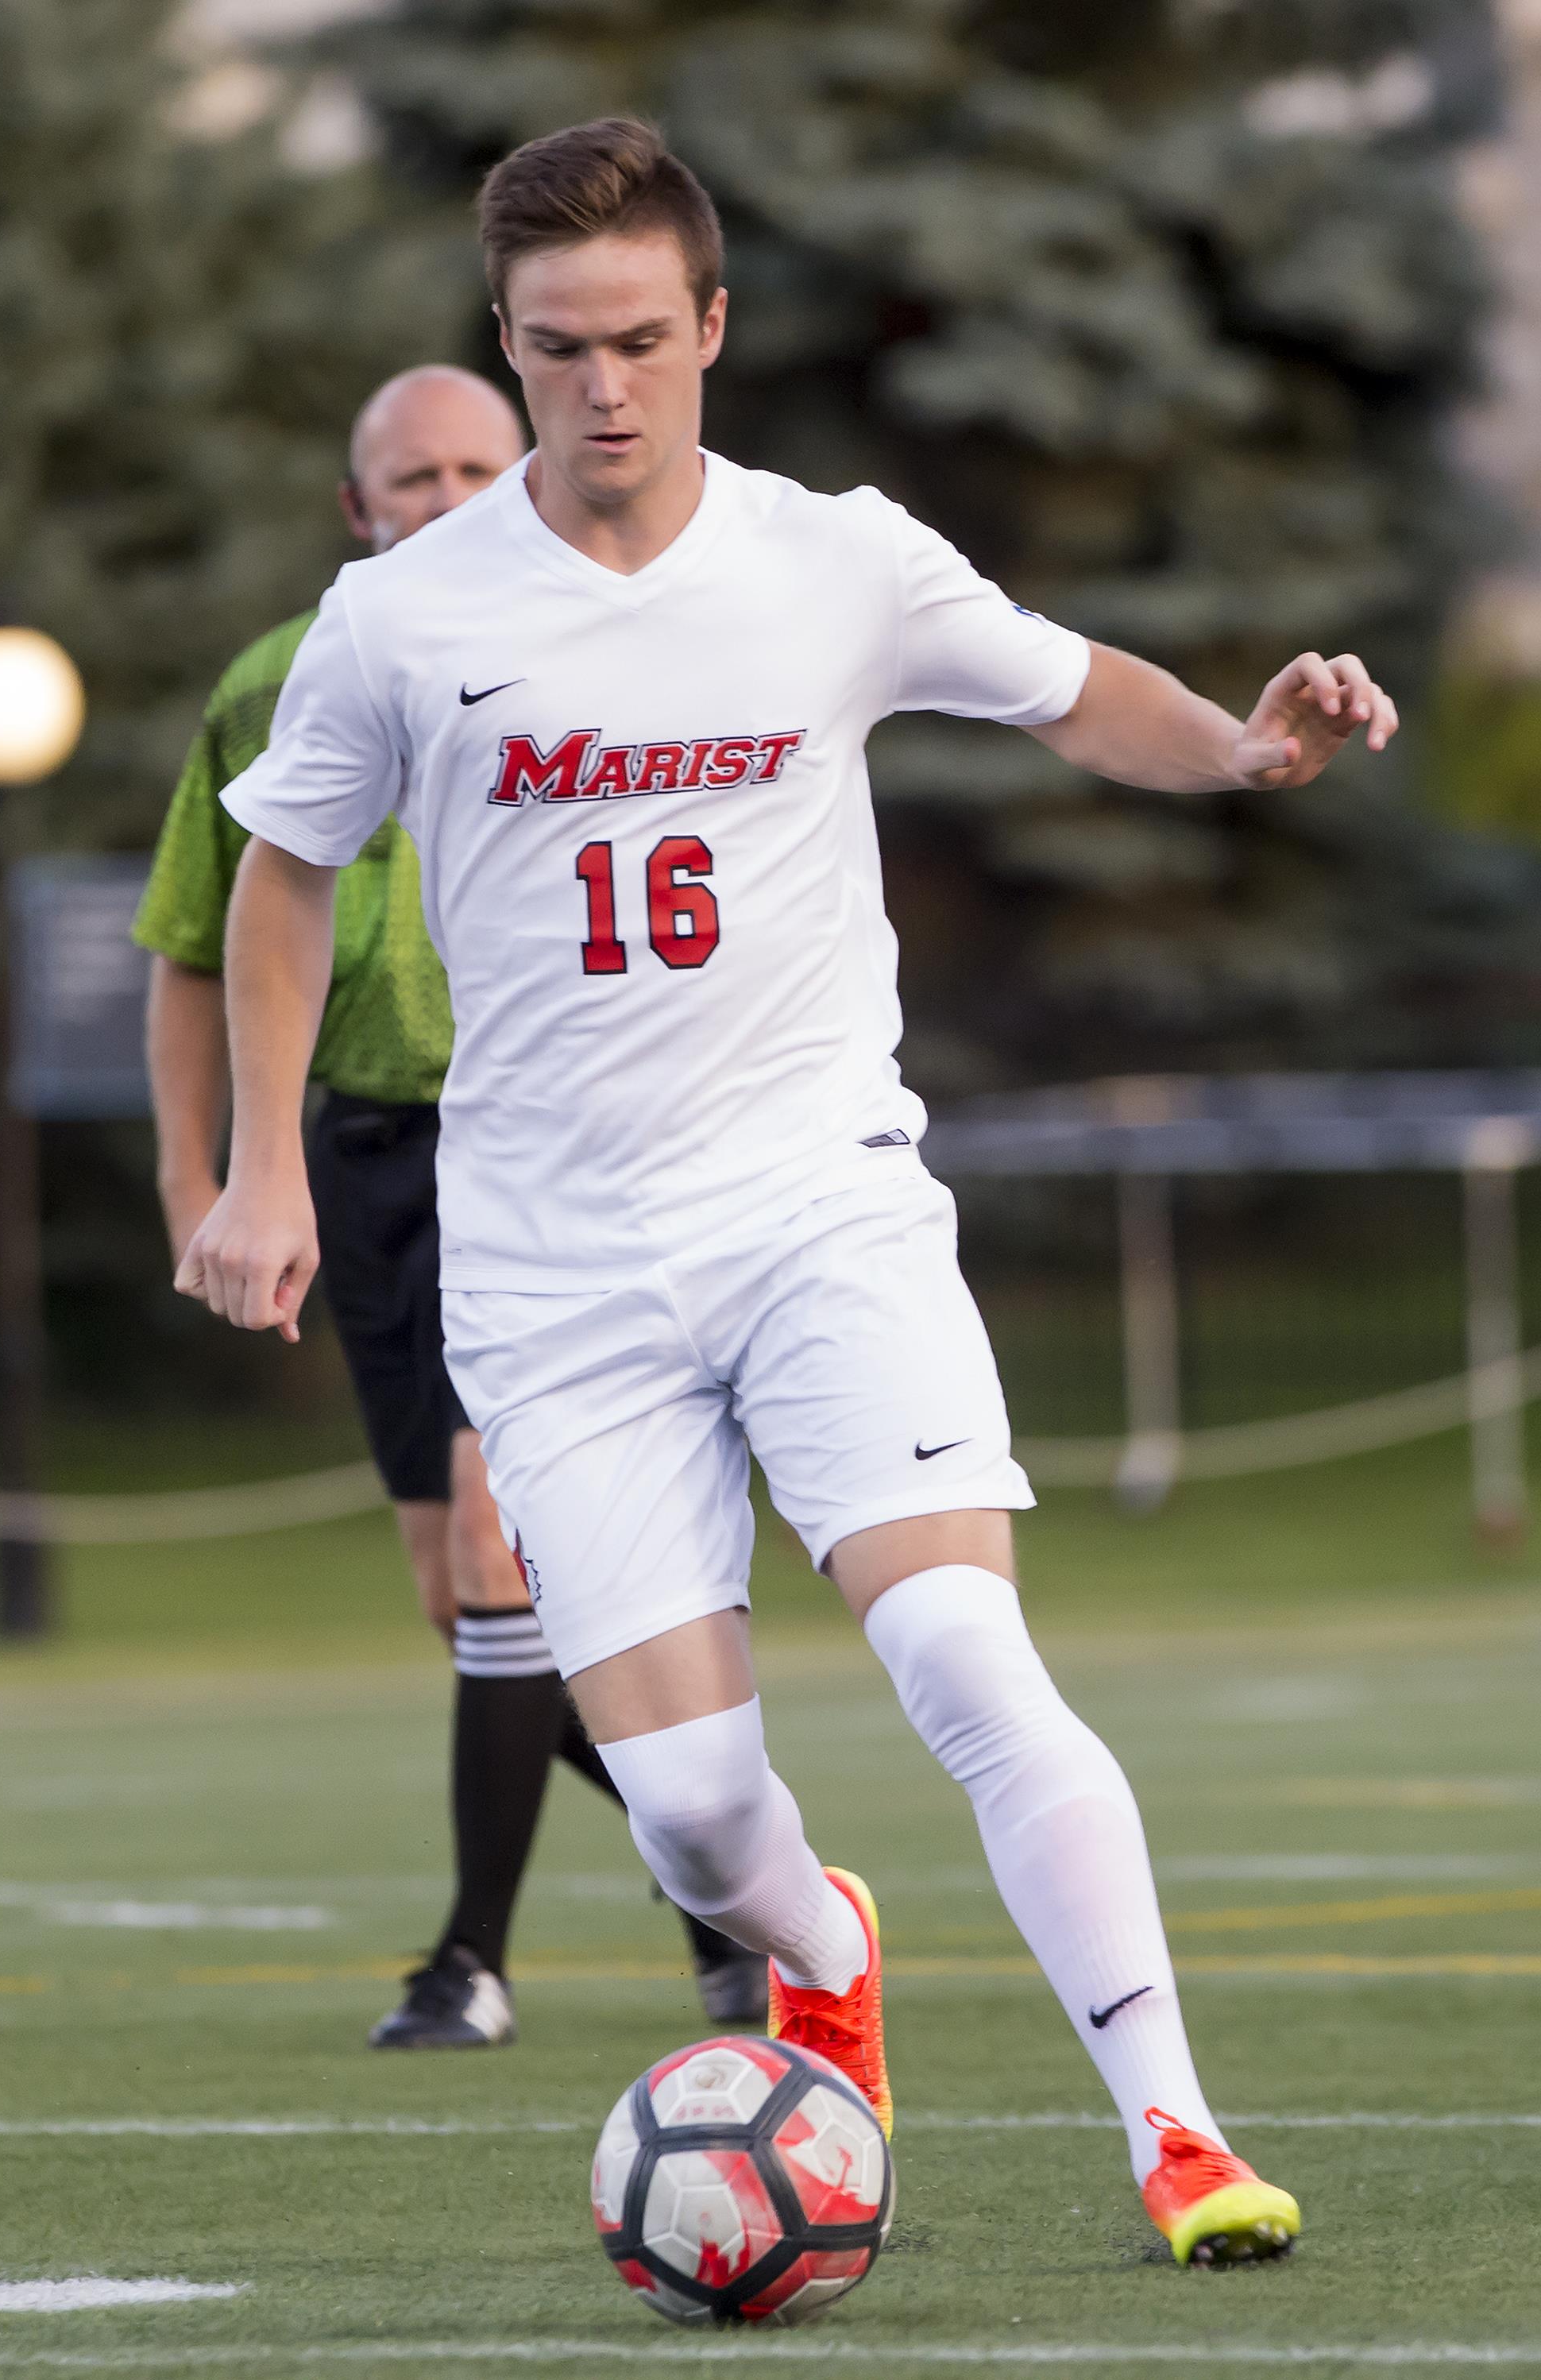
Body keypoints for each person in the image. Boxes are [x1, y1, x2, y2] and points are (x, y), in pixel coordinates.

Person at [178, 122, 1400, 2266]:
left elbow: (1062, 682)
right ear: (508, 343)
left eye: (646, 338)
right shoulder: (404, 615)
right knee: (692, 1809)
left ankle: (1181, 2133)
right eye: (559, 349)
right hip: (554, 1278)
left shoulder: (832, 556)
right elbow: (281, 878)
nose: (607, 387)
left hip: (822, 1211)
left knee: (965, 1660)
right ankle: (819, 1937)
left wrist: (1250, 748)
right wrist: (260, 1165)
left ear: (715, 328)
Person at [137, 358, 767, 2050]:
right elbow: (196, 955)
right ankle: (730, 1878)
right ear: (358, 515)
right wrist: (203, 1179)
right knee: (461, 1597)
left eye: (470, 467)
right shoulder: (285, 679)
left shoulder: (602, 648)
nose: (441, 497)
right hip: (358, 1156)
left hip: (538, 1145)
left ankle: (469, 1965)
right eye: (405, 479)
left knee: (501, 1561)